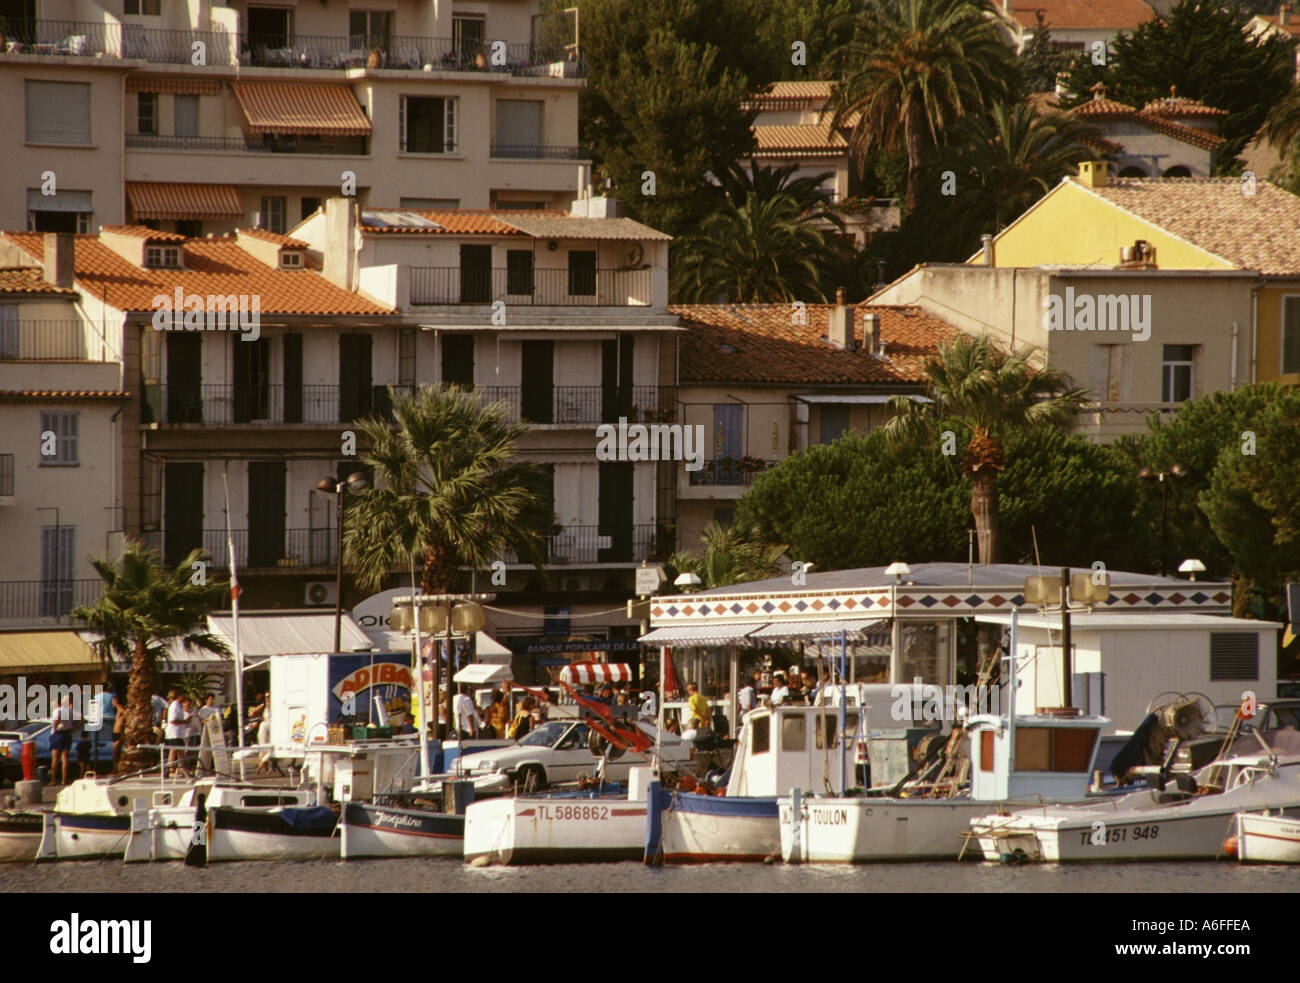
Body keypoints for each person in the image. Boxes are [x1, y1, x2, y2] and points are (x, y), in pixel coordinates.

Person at [50, 694, 79, 785]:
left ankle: (53, 780)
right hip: (67, 733)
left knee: (55, 758)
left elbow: (56, 720)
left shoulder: (57, 710)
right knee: (65, 758)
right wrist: (75, 728)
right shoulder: (71, 711)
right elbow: (81, 718)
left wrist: (55, 729)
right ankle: (63, 780)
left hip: (58, 733)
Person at [164, 689, 191, 779]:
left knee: (180, 752)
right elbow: (173, 720)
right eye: (183, 695)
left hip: (179, 733)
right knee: (174, 751)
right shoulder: (175, 705)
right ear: (179, 695)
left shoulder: (178, 705)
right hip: (174, 733)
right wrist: (185, 721)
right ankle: (169, 769)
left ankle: (183, 769)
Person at [111, 690, 126, 770]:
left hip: (119, 732)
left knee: (117, 751)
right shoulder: (117, 710)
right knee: (115, 751)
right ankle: (115, 767)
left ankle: (115, 768)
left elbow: (125, 712)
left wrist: (116, 704)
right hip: (115, 732)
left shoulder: (120, 708)